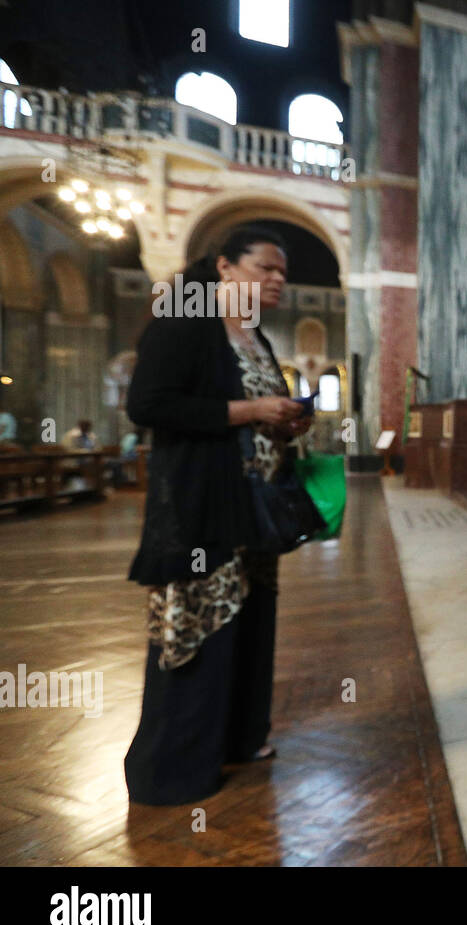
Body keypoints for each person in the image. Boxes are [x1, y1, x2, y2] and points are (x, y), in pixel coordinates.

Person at [123, 225, 309, 806]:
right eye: (266, 268)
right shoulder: (186, 319)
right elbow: (148, 405)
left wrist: (282, 421)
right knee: (199, 625)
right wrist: (254, 407)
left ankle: (239, 738)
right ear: (225, 268)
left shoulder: (253, 333)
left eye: (283, 272)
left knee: (250, 622)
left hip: (255, 508)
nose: (278, 279)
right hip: (203, 507)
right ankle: (175, 769)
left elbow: (250, 409)